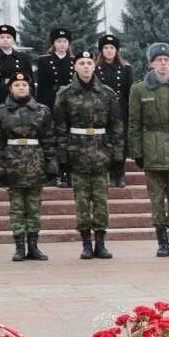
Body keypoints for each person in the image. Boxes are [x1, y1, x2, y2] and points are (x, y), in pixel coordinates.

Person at [128, 42, 169, 257]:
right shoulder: (139, 89)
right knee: (156, 199)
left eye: (166, 60)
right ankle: (162, 241)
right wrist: (137, 152)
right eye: (158, 60)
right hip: (152, 148)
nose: (163, 64)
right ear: (151, 64)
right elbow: (134, 123)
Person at [53, 49, 120, 260]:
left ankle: (100, 243)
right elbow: (60, 126)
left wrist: (117, 155)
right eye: (81, 63)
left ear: (94, 66)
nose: (85, 67)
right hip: (77, 151)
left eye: (89, 63)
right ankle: (86, 244)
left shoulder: (107, 93)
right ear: (75, 66)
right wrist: (63, 156)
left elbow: (116, 126)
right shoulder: (65, 94)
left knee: (101, 201)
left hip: (101, 152)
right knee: (81, 202)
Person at [0, 72, 55, 261]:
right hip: (12, 164)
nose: (21, 88)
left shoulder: (42, 111)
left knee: (34, 207)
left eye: (24, 84)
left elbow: (49, 139)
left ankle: (33, 246)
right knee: (17, 208)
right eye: (17, 85)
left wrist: (51, 164)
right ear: (10, 89)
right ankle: (19, 247)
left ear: (30, 88)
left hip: (36, 163)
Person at [35, 27, 74, 186]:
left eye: (65, 41)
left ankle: (66, 171)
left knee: (66, 138)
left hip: (69, 102)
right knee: (51, 138)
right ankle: (52, 172)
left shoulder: (73, 61)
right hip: (50, 101)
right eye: (59, 41)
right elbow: (42, 86)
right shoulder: (44, 60)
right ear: (53, 43)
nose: (62, 44)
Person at [96, 33, 132, 188]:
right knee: (106, 142)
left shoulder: (125, 68)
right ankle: (110, 173)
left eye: (112, 48)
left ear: (116, 50)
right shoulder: (96, 68)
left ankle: (120, 173)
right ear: (101, 51)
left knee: (121, 142)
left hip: (121, 109)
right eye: (106, 48)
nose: (109, 51)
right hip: (103, 109)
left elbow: (129, 92)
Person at [0, 24, 34, 110]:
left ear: (13, 40)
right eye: (2, 37)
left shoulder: (22, 57)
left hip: (19, 96)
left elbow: (30, 81)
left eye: (8, 37)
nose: (5, 40)